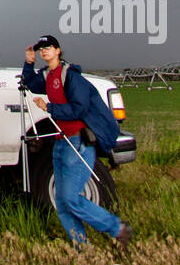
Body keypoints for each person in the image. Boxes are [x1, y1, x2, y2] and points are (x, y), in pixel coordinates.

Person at [22, 35, 132, 251]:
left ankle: (117, 229)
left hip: (77, 143)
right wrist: (29, 62)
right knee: (62, 202)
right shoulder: (47, 75)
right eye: (41, 49)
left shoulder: (70, 76)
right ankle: (81, 247)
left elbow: (78, 109)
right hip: (61, 142)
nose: (44, 51)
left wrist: (49, 108)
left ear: (58, 51)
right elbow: (29, 83)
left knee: (71, 198)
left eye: (48, 48)